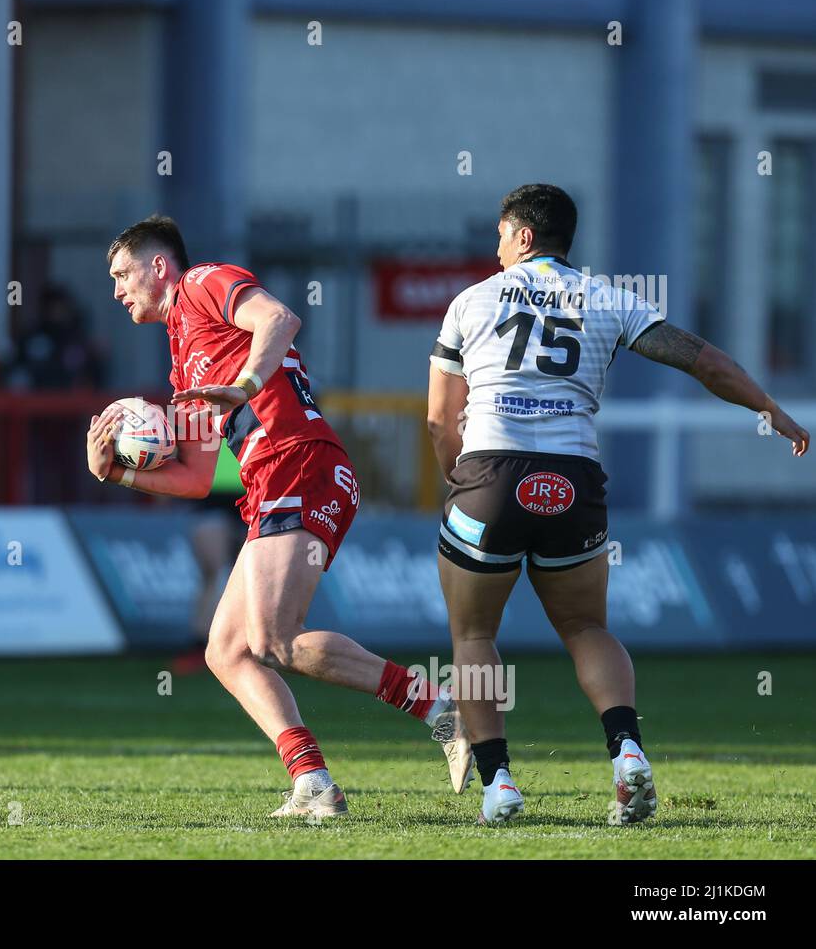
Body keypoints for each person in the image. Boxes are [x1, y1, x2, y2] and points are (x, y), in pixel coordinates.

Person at [427, 183, 809, 825]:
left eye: (499, 234)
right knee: (586, 628)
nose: (495, 246)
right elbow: (704, 361)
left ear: (521, 235)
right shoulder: (608, 298)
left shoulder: (471, 302)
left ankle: (499, 786)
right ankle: (627, 751)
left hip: (489, 473)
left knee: (473, 634)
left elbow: (441, 421)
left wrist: (457, 478)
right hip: (574, 479)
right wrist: (771, 411)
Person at [92, 216, 472, 818]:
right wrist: (121, 474)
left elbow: (279, 318)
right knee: (226, 650)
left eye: (120, 274)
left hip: (296, 462)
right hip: (273, 479)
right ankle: (313, 783)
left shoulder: (203, 282)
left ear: (157, 266)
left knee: (273, 638)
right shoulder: (182, 358)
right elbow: (194, 474)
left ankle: (437, 705)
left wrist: (244, 385)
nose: (116, 290)